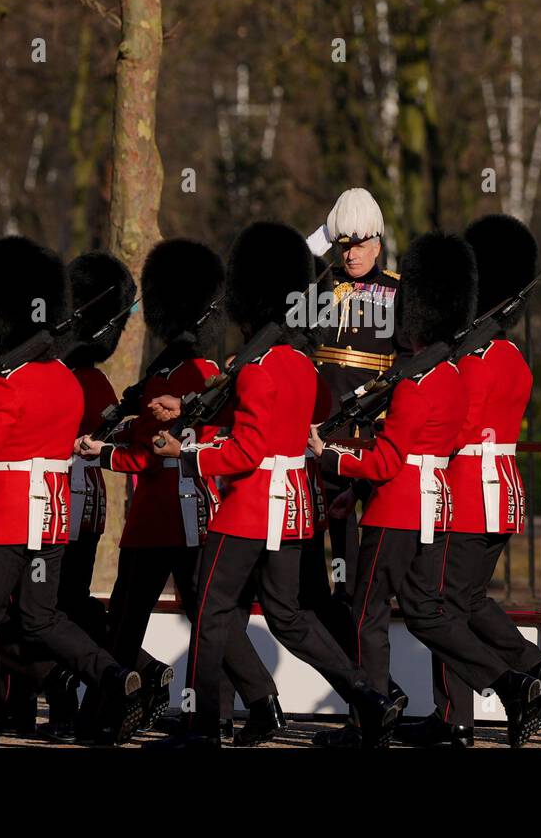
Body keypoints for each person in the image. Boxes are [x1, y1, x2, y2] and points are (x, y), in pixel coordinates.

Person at [148, 221, 400, 749]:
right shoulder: (300, 366)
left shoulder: (256, 368)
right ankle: (368, 693)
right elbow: (272, 429)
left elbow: (245, 449)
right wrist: (198, 419)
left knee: (213, 610)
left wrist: (185, 448)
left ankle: (201, 726)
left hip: (248, 508)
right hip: (293, 508)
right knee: (289, 616)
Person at [313, 230, 541, 749]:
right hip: (439, 504)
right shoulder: (452, 374)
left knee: (367, 611)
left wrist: (333, 456)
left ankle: (370, 719)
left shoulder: (415, 382)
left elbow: (391, 456)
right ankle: (512, 681)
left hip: (399, 505)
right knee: (431, 611)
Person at [0, 236, 140, 748]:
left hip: (6, 515)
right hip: (54, 516)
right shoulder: (65, 378)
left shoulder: (6, 382)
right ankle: (109, 673)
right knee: (41, 616)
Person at [76, 238, 283, 746]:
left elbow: (147, 456)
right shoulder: (211, 373)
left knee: (126, 618)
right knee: (210, 618)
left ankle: (106, 713)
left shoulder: (166, 380)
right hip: (196, 514)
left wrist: (100, 453)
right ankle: (261, 701)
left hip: (155, 514)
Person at [394, 215, 541, 748]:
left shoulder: (469, 358)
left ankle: (458, 718)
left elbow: (456, 428)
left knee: (442, 604)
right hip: (502, 489)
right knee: (467, 600)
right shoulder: (512, 356)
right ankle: (535, 670)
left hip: (467, 489)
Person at [306, 188, 401, 634]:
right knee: (317, 533)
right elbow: (285, 270)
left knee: (363, 543)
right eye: (343, 244)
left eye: (360, 243)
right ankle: (323, 612)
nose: (351, 253)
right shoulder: (319, 286)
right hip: (319, 429)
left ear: (378, 244)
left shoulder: (396, 291)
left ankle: (358, 617)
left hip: (369, 431)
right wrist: (324, 233)